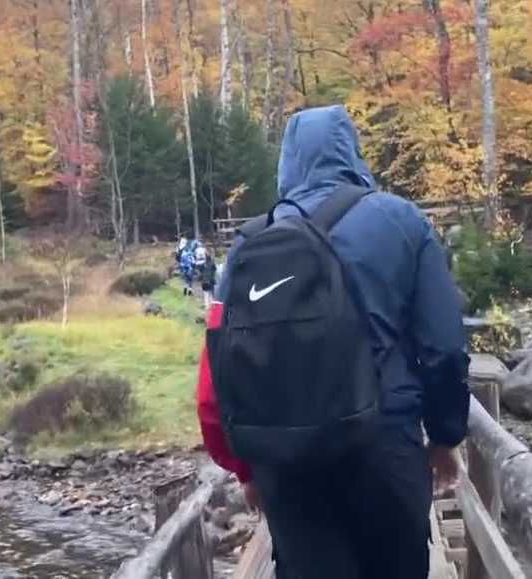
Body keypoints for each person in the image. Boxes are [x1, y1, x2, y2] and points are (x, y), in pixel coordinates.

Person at [195, 105, 470, 579]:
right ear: (351, 151)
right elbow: (444, 347)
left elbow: (216, 378)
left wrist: (246, 469)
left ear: (288, 160)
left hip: (289, 464)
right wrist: (445, 436)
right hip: (385, 450)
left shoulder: (250, 241)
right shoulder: (401, 220)